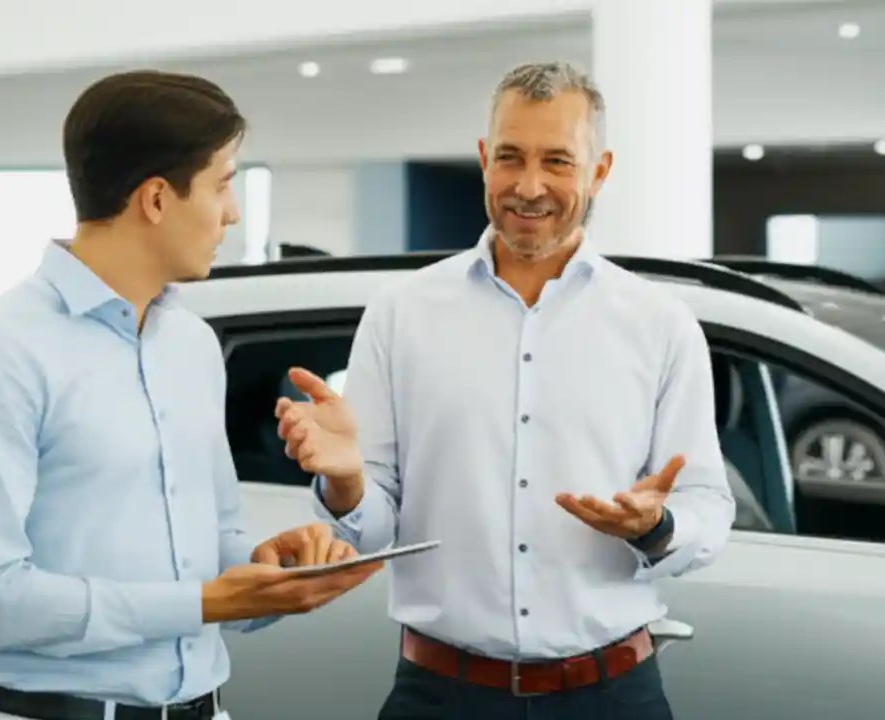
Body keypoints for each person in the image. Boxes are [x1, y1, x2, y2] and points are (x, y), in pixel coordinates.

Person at [274, 61, 736, 719]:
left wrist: (656, 526)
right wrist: (347, 482)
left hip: (612, 697)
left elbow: (708, 507)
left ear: (600, 170)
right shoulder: (402, 313)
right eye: (511, 158)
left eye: (557, 162)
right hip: (440, 696)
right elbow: (369, 533)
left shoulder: (660, 326)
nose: (529, 186)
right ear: (484, 159)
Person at [0, 70, 382, 720]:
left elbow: (214, 543)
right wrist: (210, 601)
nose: (233, 211)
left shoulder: (190, 345)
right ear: (157, 199)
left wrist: (264, 571)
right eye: (223, 184)